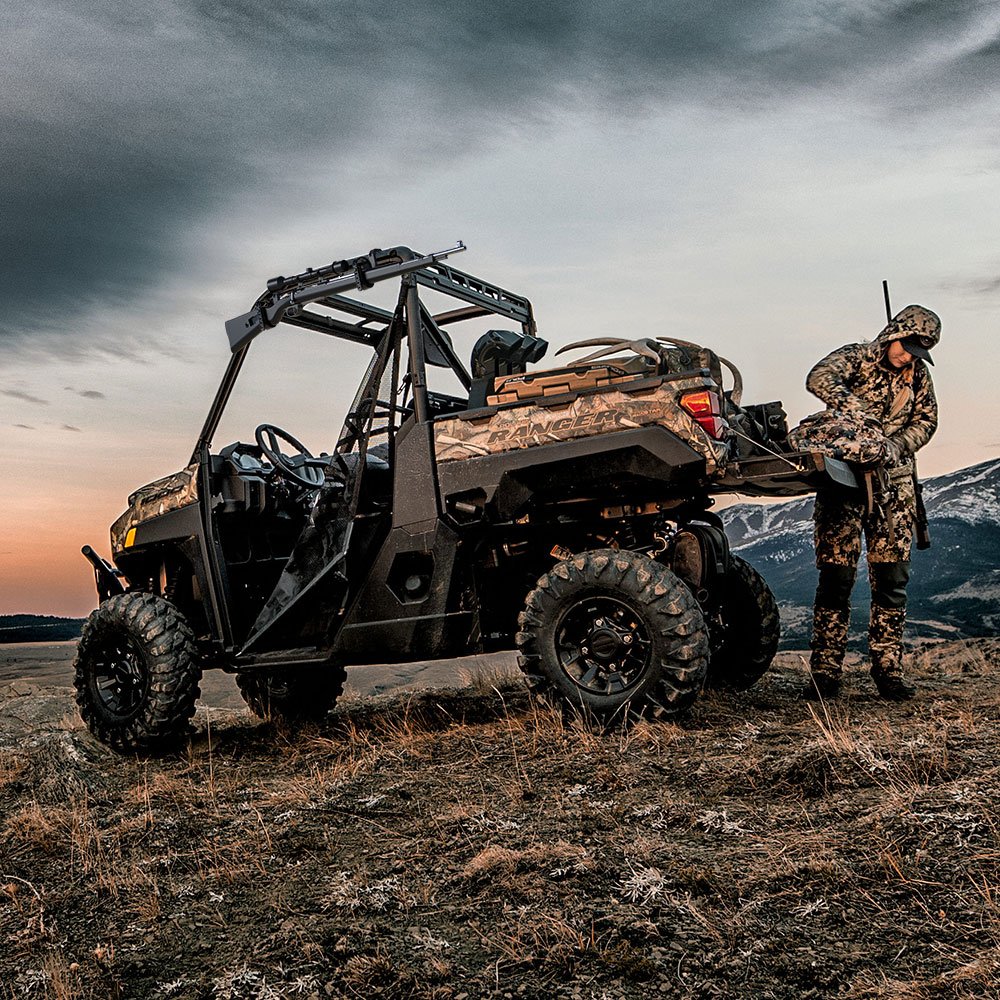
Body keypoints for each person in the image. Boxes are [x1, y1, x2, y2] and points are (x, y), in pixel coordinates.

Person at [803, 304, 939, 700]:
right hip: (842, 480)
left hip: (894, 486)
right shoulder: (857, 357)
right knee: (835, 578)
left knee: (892, 580)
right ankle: (825, 673)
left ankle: (888, 671)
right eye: (906, 347)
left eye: (917, 352)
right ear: (893, 333)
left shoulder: (918, 376)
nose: (908, 357)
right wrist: (854, 411)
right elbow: (818, 377)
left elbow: (927, 421)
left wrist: (896, 445)